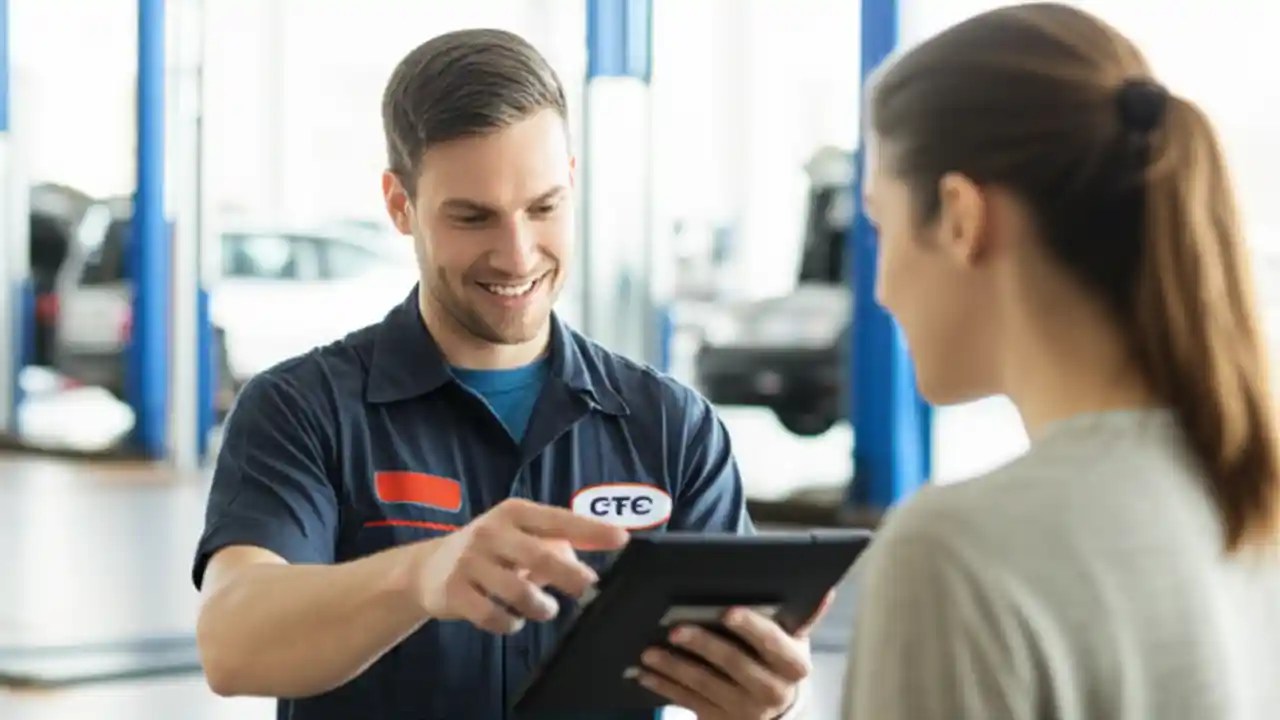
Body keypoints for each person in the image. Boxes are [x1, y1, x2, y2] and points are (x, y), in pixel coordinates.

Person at [192, 28, 822, 720]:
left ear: (573, 182)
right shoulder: (303, 410)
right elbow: (233, 642)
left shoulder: (672, 428)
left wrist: (765, 696)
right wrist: (420, 574)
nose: (518, 254)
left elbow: (739, 654)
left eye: (544, 207)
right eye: (473, 217)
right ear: (400, 205)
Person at [840, 3, 1280, 719]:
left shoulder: (958, 554)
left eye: (880, 225)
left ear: (960, 217)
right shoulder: (1246, 493)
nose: (882, 288)